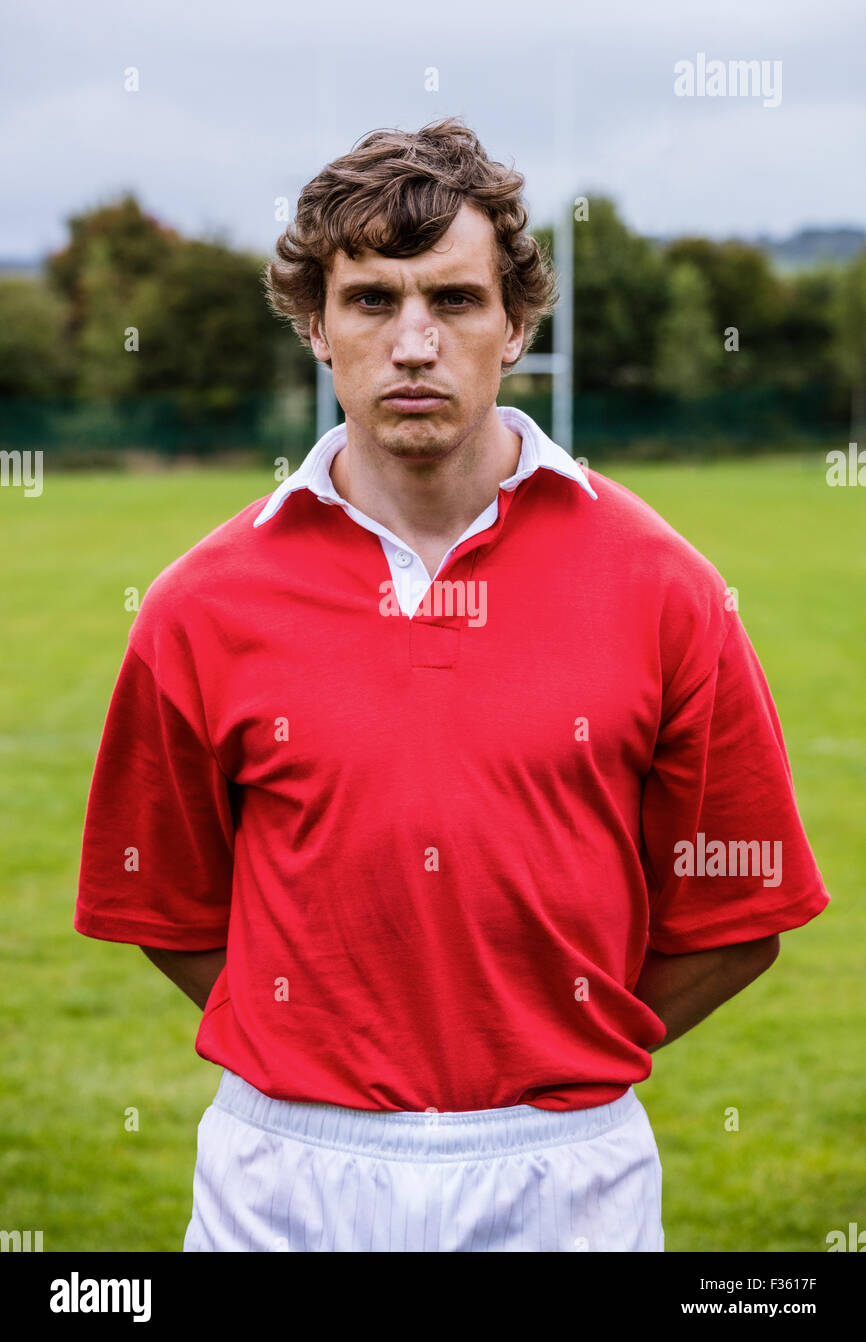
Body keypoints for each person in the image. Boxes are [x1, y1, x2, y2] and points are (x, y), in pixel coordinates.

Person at [74, 117, 830, 1253]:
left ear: (515, 323)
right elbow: (171, 908)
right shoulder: (198, 603)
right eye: (373, 300)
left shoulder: (665, 585)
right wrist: (322, 1050)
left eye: (454, 300)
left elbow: (736, 915)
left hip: (562, 1169)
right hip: (284, 1171)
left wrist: (551, 1053)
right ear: (315, 328)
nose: (413, 341)